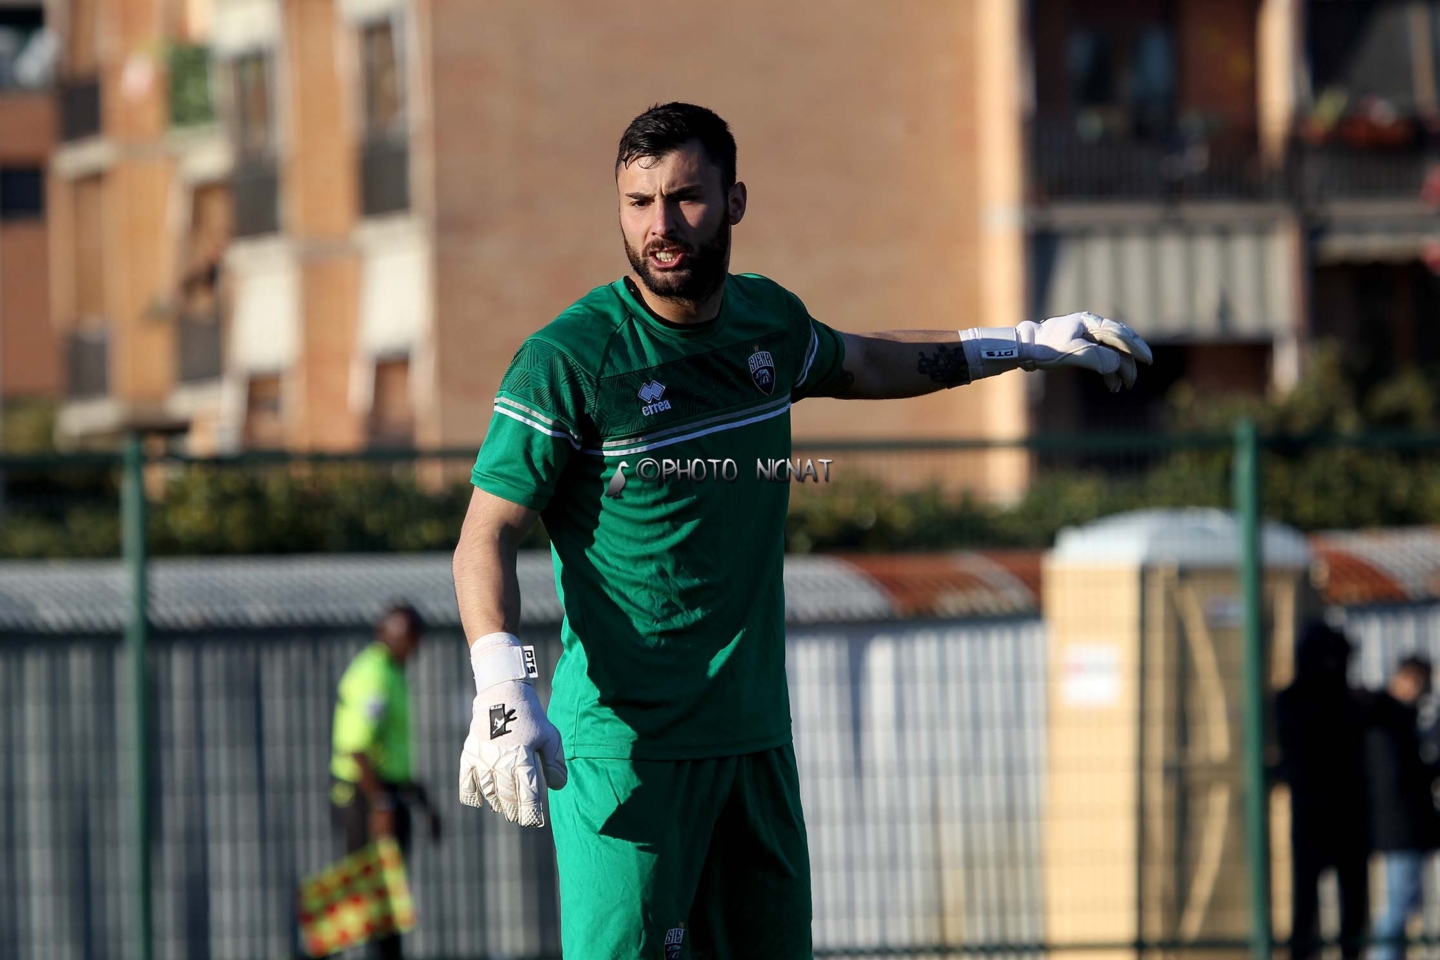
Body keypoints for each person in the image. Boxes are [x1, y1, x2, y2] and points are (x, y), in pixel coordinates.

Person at [451, 101, 1153, 960]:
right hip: (626, 758)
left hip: (755, 744)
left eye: (686, 198)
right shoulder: (567, 359)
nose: (660, 226)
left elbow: (867, 360)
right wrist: (501, 683)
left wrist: (1024, 344)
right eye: (638, 203)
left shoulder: (768, 326)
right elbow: (485, 534)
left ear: (736, 202)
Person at [330, 601, 441, 960]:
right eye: (410, 638)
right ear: (391, 636)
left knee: (383, 892)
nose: (415, 647)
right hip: (365, 795)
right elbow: (355, 749)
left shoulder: (392, 672)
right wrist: (381, 802)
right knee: (370, 891)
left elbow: (388, 753)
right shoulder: (373, 675)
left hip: (386, 792)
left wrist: (421, 803)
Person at [1275, 621, 1371, 960]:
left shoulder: (1290, 701)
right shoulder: (1348, 703)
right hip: (1338, 812)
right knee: (1342, 900)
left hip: (1321, 812)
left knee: (1314, 900)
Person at [1366, 654, 1439, 960]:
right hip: (1401, 827)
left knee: (1405, 904)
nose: (1423, 694)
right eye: (1421, 685)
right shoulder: (1387, 720)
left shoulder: (1394, 718)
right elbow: (1399, 776)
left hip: (1405, 826)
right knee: (1399, 906)